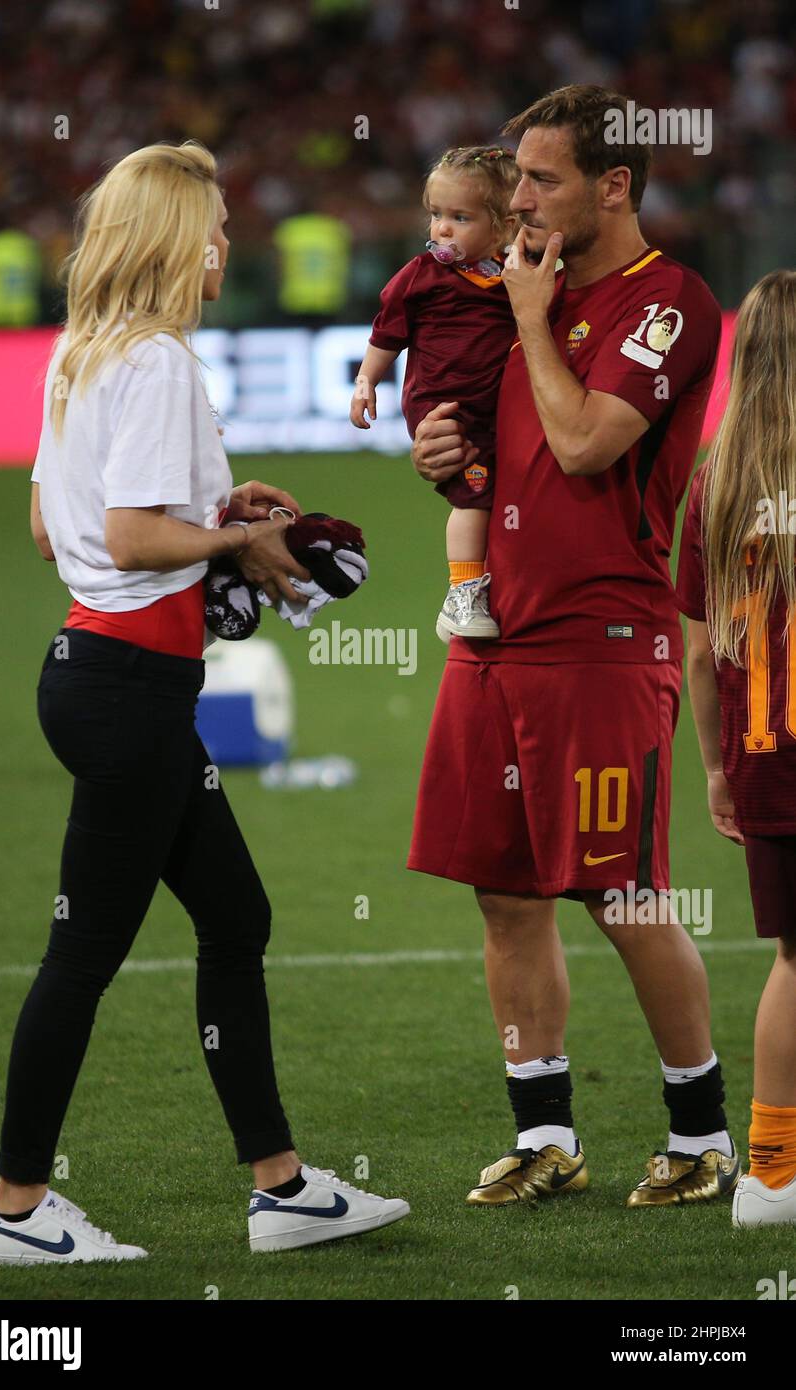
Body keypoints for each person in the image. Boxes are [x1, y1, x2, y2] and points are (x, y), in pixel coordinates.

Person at [0, 141, 409, 1263]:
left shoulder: (82, 352)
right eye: (213, 224)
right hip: (128, 691)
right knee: (81, 958)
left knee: (235, 917)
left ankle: (279, 1188)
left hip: (105, 678)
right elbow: (128, 535)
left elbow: (53, 531)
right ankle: (17, 1207)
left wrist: (218, 509)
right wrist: (238, 538)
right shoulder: (159, 360)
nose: (226, 243)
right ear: (175, 239)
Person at [407, 85, 738, 1208]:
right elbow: (500, 465)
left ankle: (698, 1135)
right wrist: (441, 456)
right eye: (514, 182)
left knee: (621, 894)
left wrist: (534, 321)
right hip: (492, 638)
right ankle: (544, 1132)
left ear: (613, 185)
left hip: (599, 641)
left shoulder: (671, 304)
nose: (518, 202)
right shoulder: (510, 300)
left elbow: (589, 443)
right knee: (502, 892)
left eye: (541, 181)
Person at [676, 269, 796, 1227]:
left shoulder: (714, 486)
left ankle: (773, 1172)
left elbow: (701, 651)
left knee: (793, 962)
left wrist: (717, 768)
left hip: (766, 758)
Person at [351, 145, 518, 642]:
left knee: (502, 487)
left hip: (496, 406)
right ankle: (461, 594)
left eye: (460, 217)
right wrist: (366, 381)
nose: (441, 228)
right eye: (436, 215)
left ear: (503, 227)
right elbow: (386, 333)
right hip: (443, 408)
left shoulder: (513, 277)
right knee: (474, 496)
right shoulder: (422, 276)